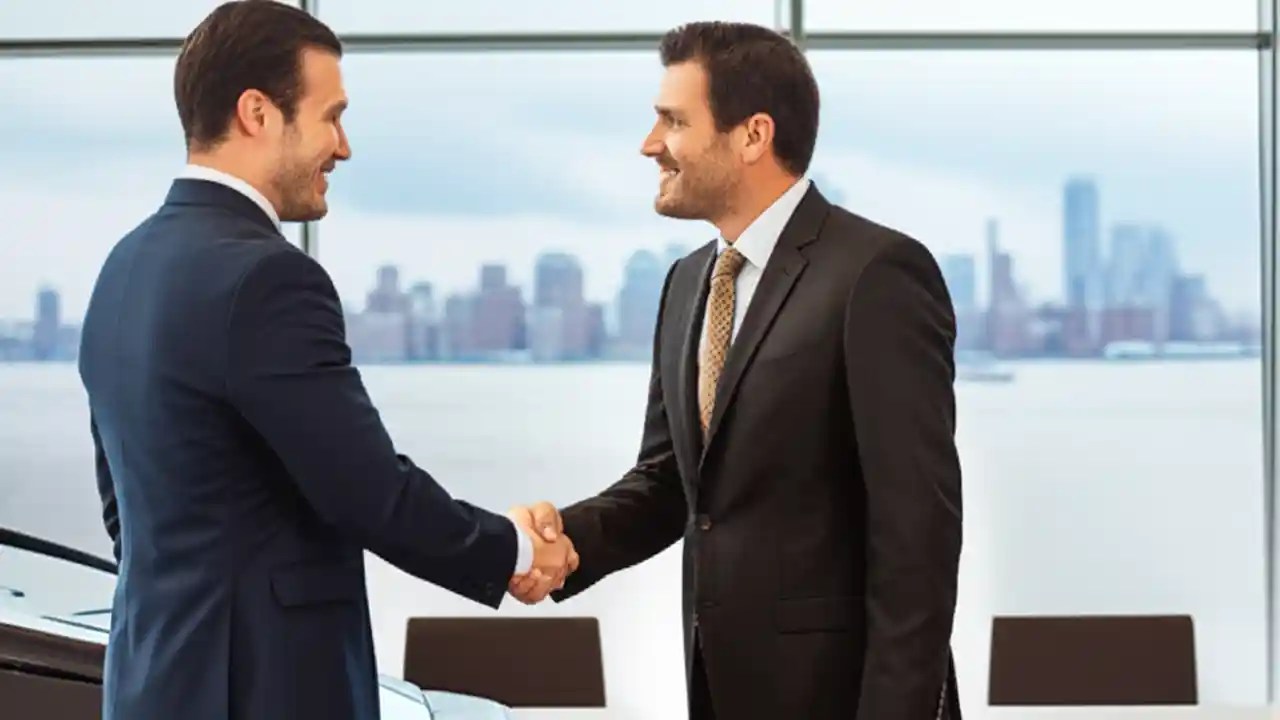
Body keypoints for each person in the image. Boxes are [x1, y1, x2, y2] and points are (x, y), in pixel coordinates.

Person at [77, 2, 574, 718]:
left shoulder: (124, 267)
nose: (342, 147)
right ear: (257, 112)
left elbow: (126, 514)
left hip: (152, 684)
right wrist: (517, 553)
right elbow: (367, 491)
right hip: (264, 693)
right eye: (330, 116)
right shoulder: (267, 279)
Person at [507, 20, 963, 720]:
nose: (649, 144)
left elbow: (917, 538)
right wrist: (565, 541)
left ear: (753, 135)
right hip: (719, 691)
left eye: (672, 121)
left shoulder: (876, 274)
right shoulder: (688, 283)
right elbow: (670, 485)